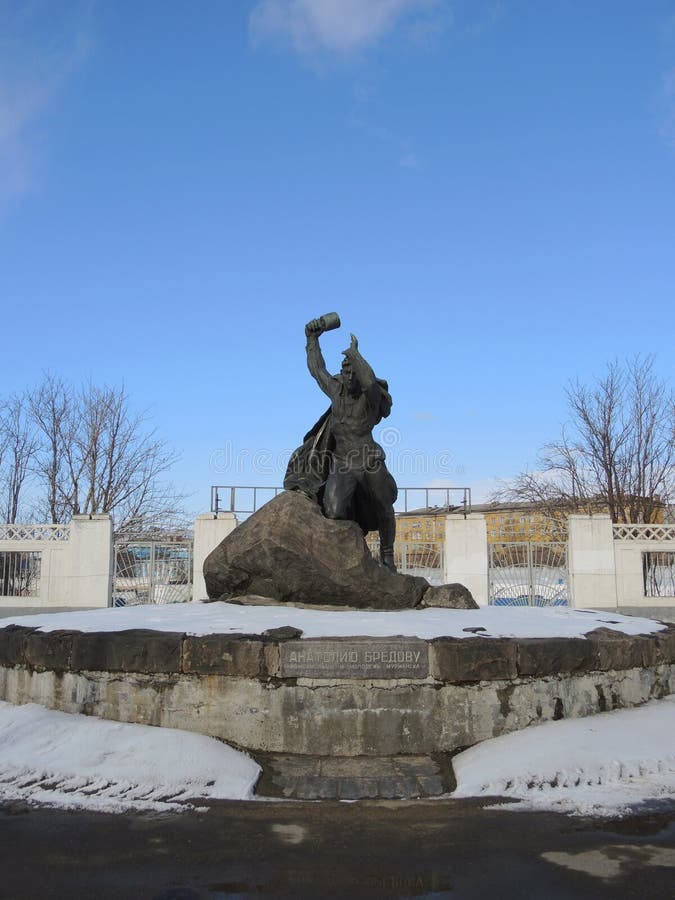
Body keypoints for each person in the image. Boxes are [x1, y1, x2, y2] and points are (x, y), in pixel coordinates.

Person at [284, 317, 398, 572]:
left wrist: (355, 354)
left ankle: (388, 556)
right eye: (344, 368)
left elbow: (369, 383)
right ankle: (351, 548)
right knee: (334, 510)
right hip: (342, 464)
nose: (346, 373)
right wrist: (312, 340)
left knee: (383, 506)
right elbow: (317, 370)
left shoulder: (370, 398)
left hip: (368, 460)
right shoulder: (336, 392)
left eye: (351, 370)